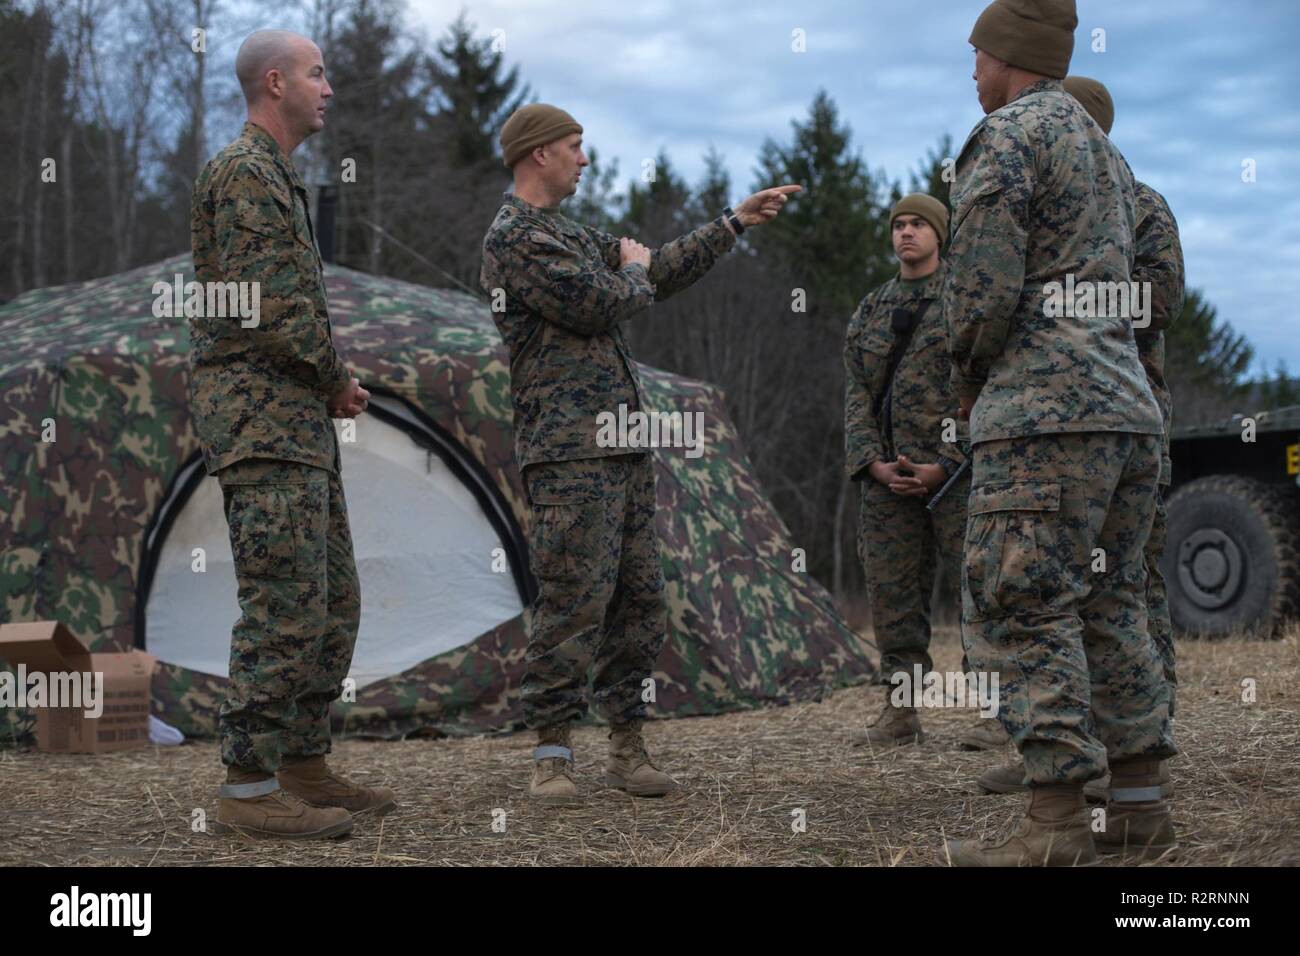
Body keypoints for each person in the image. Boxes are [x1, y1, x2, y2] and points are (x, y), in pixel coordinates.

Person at [480, 103, 799, 805]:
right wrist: (633, 273)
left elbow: (654, 269)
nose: (584, 159)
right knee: (573, 601)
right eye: (574, 147)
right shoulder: (517, 239)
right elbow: (602, 301)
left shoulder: (565, 231)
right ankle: (552, 755)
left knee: (639, 602)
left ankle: (627, 746)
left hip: (620, 449)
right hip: (569, 453)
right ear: (538, 155)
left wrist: (733, 224)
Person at [940, 0, 1177, 866]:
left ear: (1010, 56)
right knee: (1113, 605)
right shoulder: (1106, 153)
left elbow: (981, 294)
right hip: (1125, 417)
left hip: (1045, 418)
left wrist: (968, 382)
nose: (971, 67)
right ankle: (1143, 810)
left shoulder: (1007, 139)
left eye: (978, 52)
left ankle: (1055, 826)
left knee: (1024, 600)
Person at [191, 29, 395, 840]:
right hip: (261, 423)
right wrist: (335, 378)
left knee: (331, 601)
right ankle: (247, 790)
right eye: (317, 74)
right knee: (283, 605)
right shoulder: (244, 173)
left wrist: (322, 386)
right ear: (274, 84)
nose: (329, 88)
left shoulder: (276, 176)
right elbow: (268, 305)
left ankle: (303, 764)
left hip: (294, 425)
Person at [844, 193, 1006, 752]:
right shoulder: (872, 308)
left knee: (978, 593)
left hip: (957, 478)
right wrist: (873, 464)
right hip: (888, 479)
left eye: (918, 225)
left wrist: (947, 464)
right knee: (892, 597)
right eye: (899, 225)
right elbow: (857, 394)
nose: (906, 234)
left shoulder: (965, 301)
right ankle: (900, 711)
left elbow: (986, 388)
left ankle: (994, 713)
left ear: (940, 234)